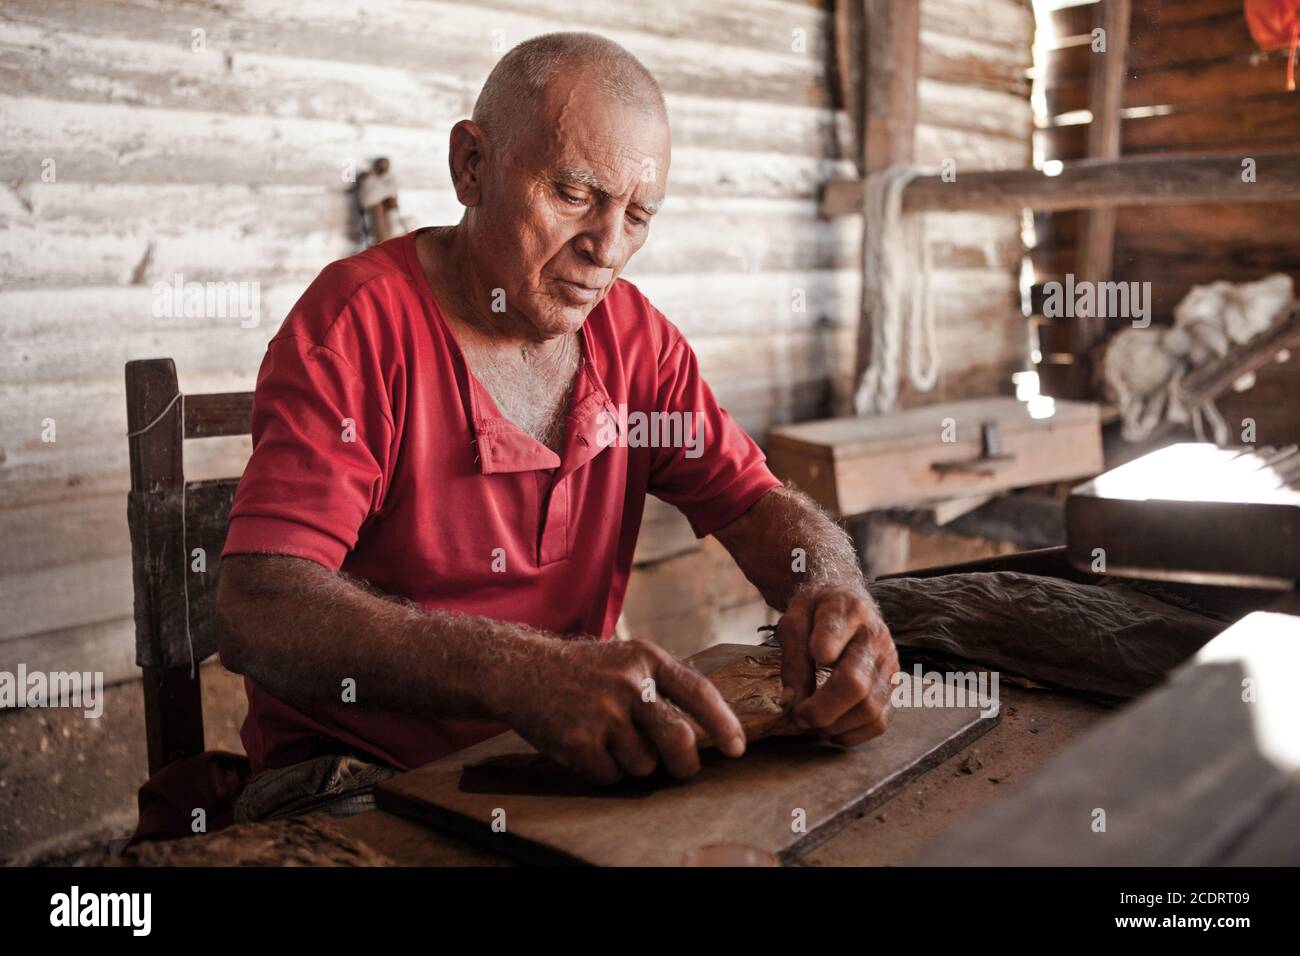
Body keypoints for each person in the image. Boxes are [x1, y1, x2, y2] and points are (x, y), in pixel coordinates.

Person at [215, 32, 898, 819]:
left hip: (569, 764)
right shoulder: (358, 325)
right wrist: (519, 674)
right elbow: (258, 607)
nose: (606, 250)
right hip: (357, 777)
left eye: (637, 215)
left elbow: (751, 505)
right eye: (574, 194)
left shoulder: (638, 342)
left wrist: (832, 585)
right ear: (472, 166)